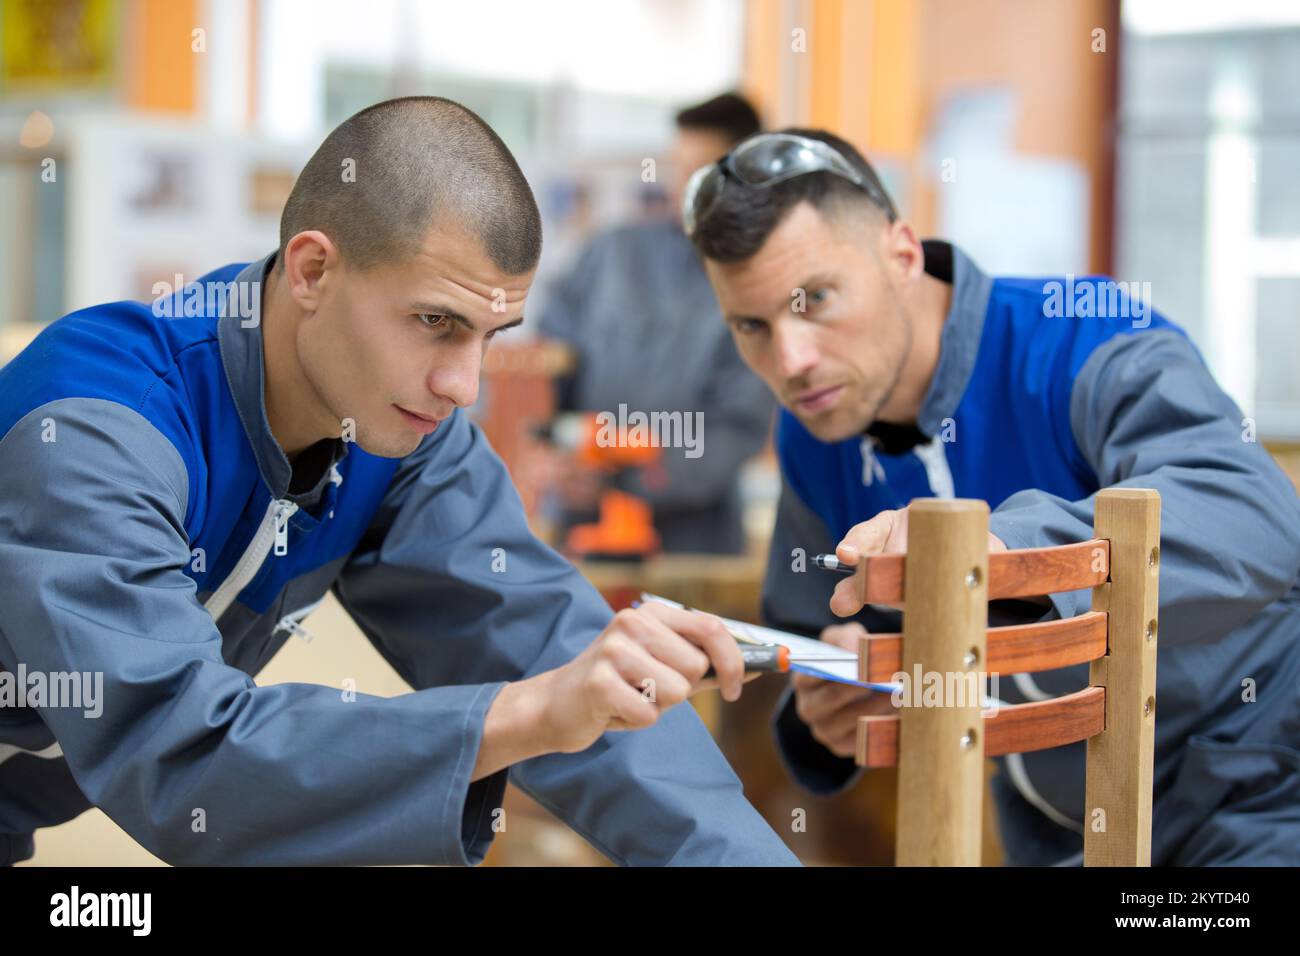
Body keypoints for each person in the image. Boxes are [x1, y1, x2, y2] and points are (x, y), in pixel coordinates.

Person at [0, 97, 801, 867]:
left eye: (490, 335)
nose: (463, 385)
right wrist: (530, 712)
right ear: (313, 270)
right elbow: (183, 756)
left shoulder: (396, 433)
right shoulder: (95, 432)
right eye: (435, 322)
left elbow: (547, 644)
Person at [683, 128, 1300, 865]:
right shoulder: (815, 434)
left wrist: (1003, 556)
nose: (791, 361)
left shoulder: (1083, 336)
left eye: (815, 299)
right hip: (1063, 826)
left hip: (1260, 785)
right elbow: (814, 636)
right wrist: (837, 701)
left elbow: (1252, 515)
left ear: (901, 255)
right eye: (752, 325)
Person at [537, 93, 774, 555]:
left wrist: (626, 479)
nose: (681, 188)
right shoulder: (612, 254)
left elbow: (736, 429)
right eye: (677, 168)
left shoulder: (756, 286)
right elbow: (547, 362)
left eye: (699, 173)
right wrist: (550, 451)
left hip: (693, 550)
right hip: (581, 533)